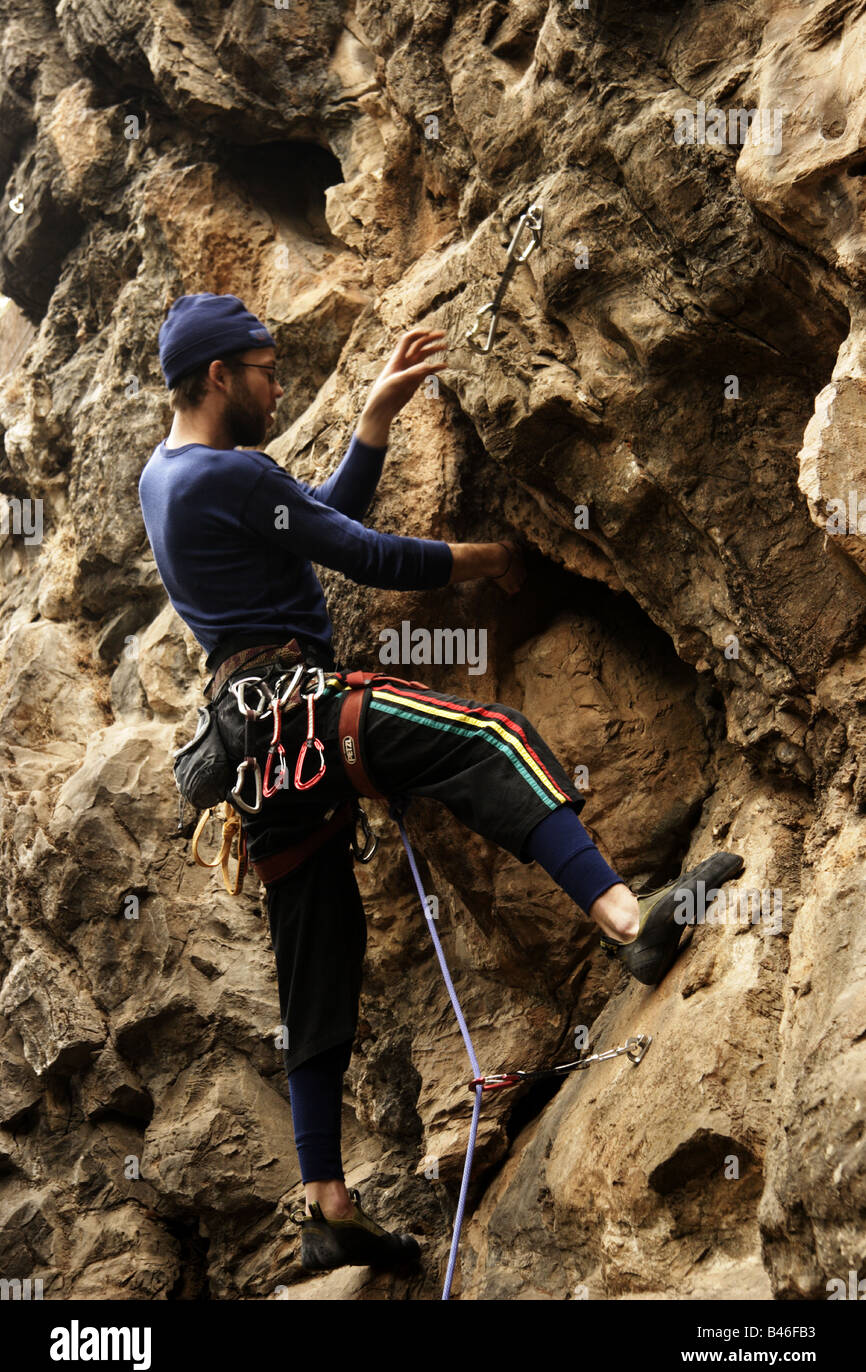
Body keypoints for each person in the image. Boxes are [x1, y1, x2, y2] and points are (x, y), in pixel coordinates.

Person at [138, 292, 744, 1273]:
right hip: (301, 709)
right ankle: (631, 923)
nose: (276, 382)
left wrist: (371, 426)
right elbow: (364, 555)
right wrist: (489, 557)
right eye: (264, 368)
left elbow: (311, 520)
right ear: (219, 377)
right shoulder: (226, 471)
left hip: (254, 753)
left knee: (315, 958)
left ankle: (325, 1200)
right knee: (490, 738)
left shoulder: (165, 478)